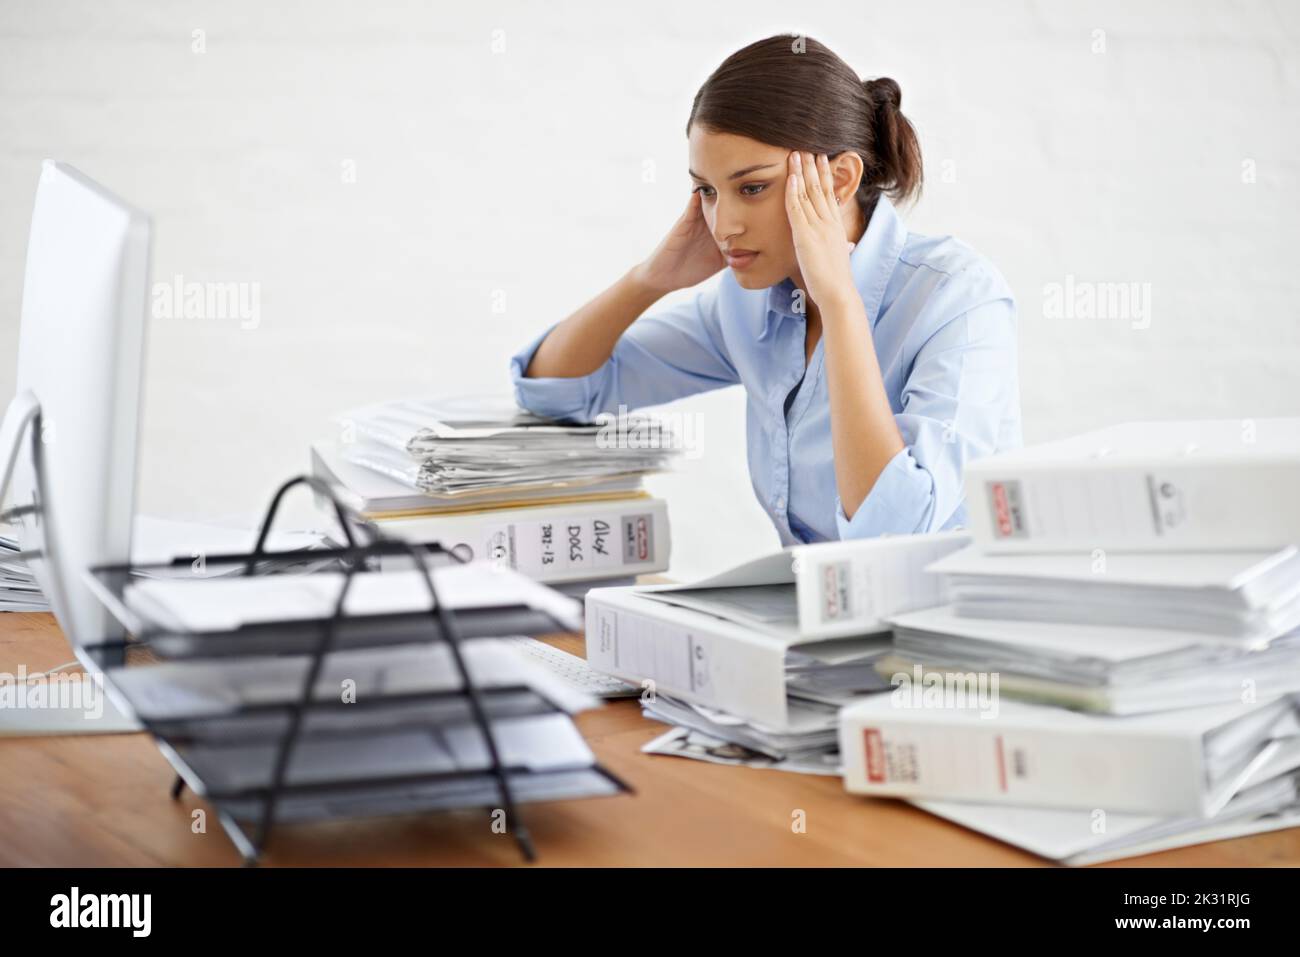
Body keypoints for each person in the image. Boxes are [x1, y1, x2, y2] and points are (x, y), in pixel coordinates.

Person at [509, 34, 1021, 544]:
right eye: (707, 191)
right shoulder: (750, 304)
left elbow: (893, 530)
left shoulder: (957, 298)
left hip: (946, 617)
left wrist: (840, 303)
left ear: (839, 181)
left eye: (751, 188)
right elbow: (556, 390)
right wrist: (649, 280)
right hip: (815, 615)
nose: (723, 224)